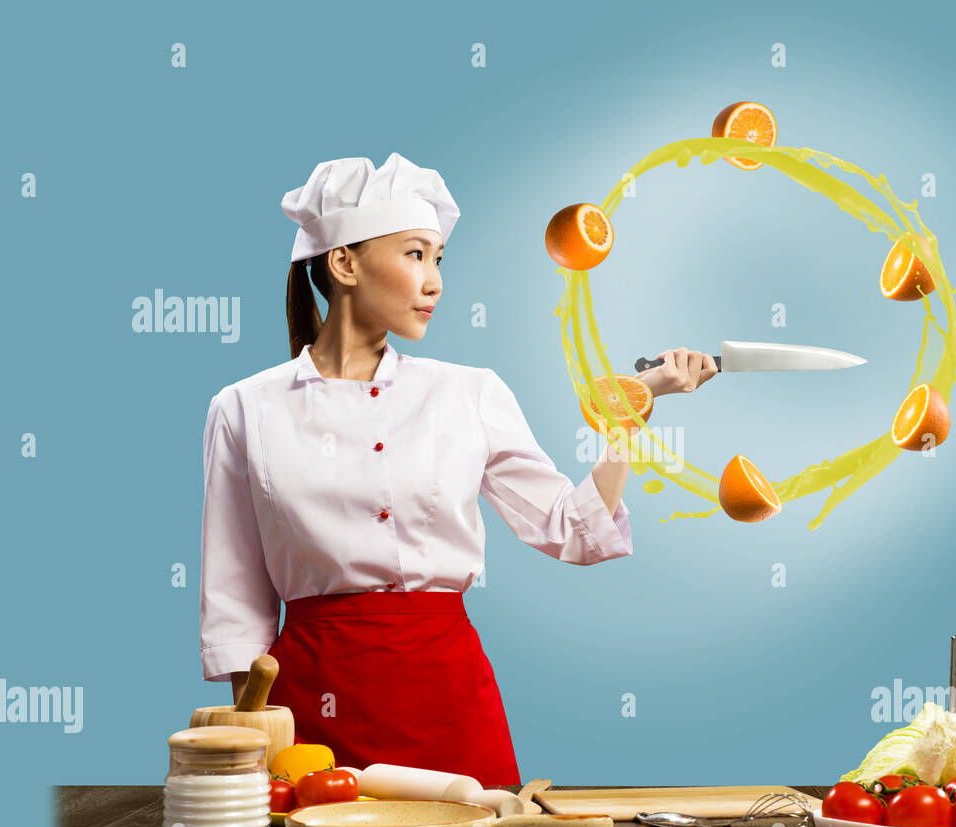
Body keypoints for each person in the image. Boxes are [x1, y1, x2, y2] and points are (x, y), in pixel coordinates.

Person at [198, 152, 716, 784]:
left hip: (448, 698)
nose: (435, 281)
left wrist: (634, 409)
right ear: (344, 262)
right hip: (308, 712)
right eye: (416, 254)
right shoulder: (244, 408)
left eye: (439, 259)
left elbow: (571, 530)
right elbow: (236, 600)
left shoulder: (471, 393)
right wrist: (251, 747)